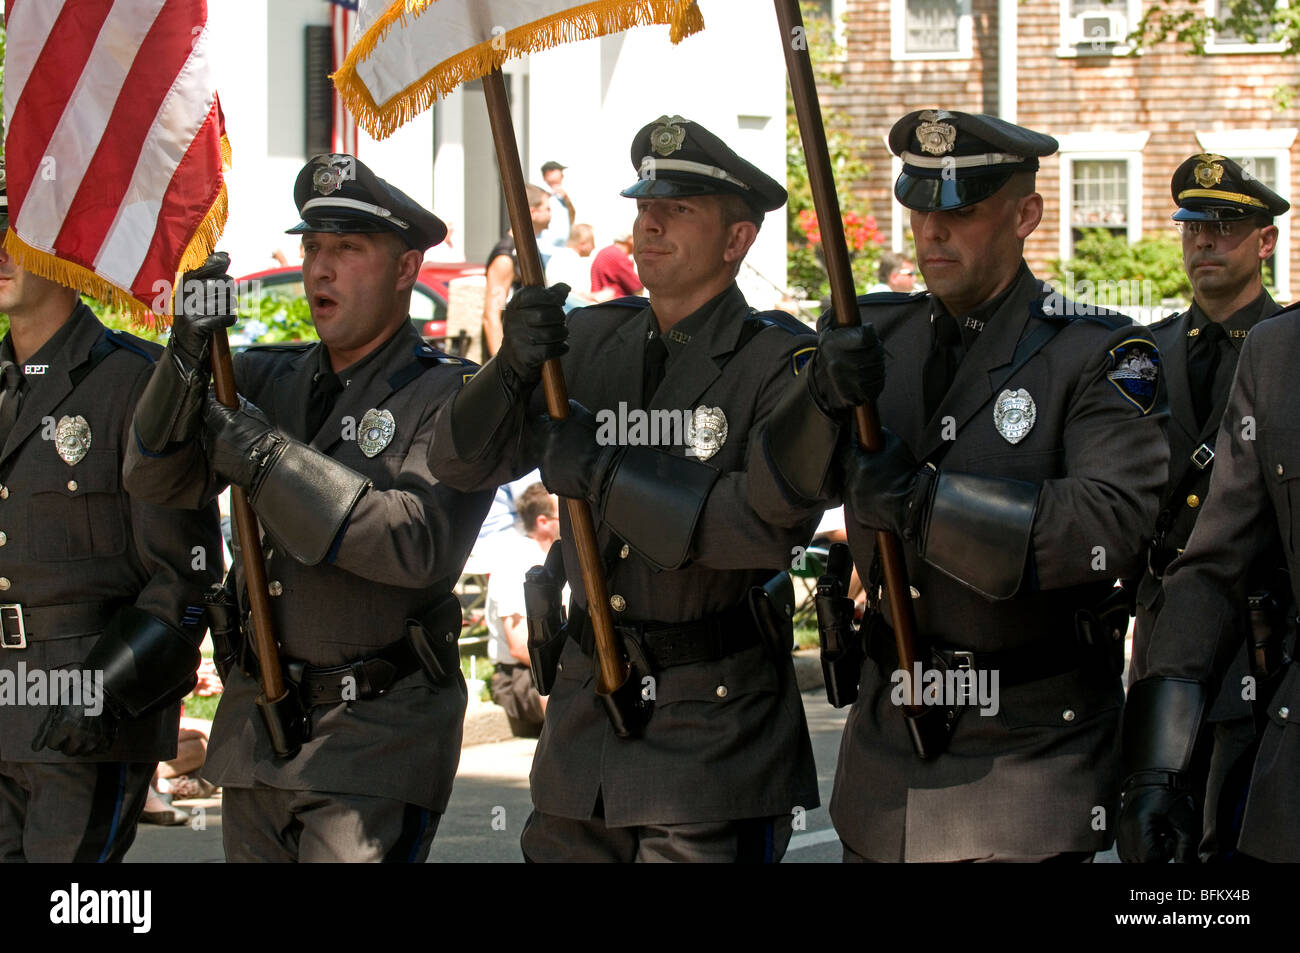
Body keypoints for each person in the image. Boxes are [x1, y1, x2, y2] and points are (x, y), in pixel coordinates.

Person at [751, 109, 1168, 862]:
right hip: (889, 752)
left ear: (1025, 214)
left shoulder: (1097, 351)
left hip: (1027, 754)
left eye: (962, 212)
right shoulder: (875, 336)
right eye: (920, 210)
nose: (934, 231)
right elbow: (775, 498)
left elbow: (1109, 526)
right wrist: (815, 398)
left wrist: (922, 506)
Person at [429, 115, 820, 862]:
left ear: (737, 240)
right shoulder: (593, 341)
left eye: (680, 209)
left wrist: (608, 474)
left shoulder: (778, 361)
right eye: (646, 205)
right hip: (584, 728)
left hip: (710, 735)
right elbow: (460, 462)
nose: (651, 222)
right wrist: (510, 364)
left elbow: (766, 526)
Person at [123, 154, 493, 862]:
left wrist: (267, 460)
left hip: (375, 737)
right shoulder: (264, 375)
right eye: (312, 247)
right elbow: (155, 477)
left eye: (347, 249)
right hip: (261, 725)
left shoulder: (446, 395)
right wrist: (185, 354)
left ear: (407, 267)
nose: (320, 268)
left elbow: (416, 543)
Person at [0, 169, 222, 861]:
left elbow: (184, 574)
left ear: (67, 248)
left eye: (18, 235)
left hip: (83, 709)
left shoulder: (136, 382)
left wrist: (104, 691)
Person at [1117, 203, 1299, 865]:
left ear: (1266, 241)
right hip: (1194, 629)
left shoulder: (1268, 337)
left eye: (1223, 228)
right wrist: (1155, 767)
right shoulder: (1278, 355)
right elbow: (1213, 556)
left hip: (1262, 642)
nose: (1205, 243)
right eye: (1195, 228)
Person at [486, 482, 559, 737]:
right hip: (520, 676)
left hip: (552, 664)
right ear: (543, 522)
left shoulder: (558, 558)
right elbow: (520, 647)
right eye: (565, 514)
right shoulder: (515, 562)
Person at [484, 184, 552, 358]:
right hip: (513, 359)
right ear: (532, 212)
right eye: (547, 208)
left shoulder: (527, 248)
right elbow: (492, 317)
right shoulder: (506, 256)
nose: (551, 214)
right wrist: (502, 371)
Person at [545, 224, 610, 311]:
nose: (594, 247)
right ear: (582, 243)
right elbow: (575, 295)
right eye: (592, 243)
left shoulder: (561, 256)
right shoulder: (570, 259)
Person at [589, 230, 642, 299]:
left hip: (600, 301)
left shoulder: (606, 251)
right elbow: (637, 287)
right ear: (630, 239)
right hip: (612, 303)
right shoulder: (619, 256)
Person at [537, 160, 576, 253]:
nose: (562, 175)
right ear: (548, 173)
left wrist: (567, 199)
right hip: (545, 247)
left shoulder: (562, 195)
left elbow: (572, 216)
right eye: (560, 171)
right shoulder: (539, 193)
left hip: (561, 248)